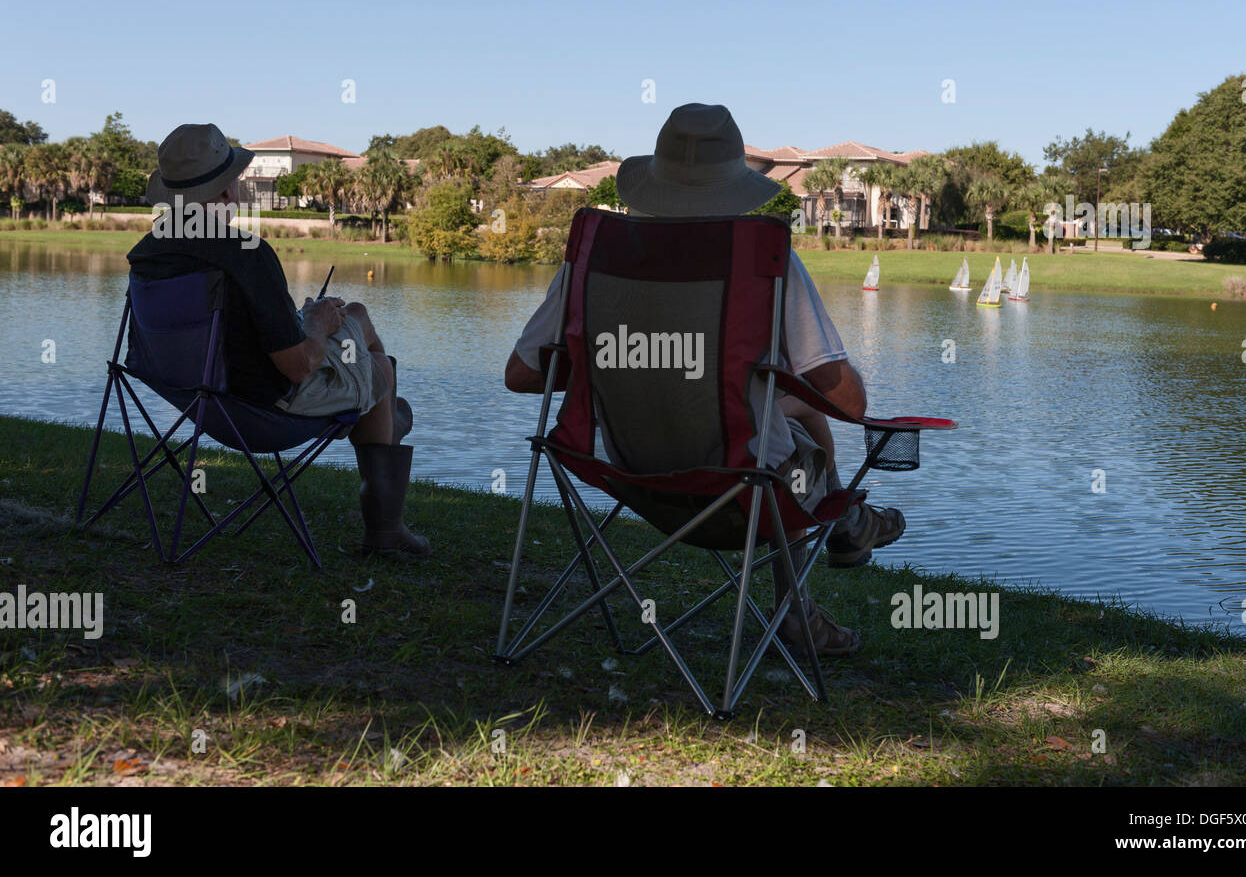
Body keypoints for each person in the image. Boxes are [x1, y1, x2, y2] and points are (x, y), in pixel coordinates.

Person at [503, 103, 904, 656]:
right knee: (795, 437)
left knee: (784, 420)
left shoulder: (594, 258)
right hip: (740, 493)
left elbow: (522, 376)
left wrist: (609, 368)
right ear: (736, 185)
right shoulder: (761, 258)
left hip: (628, 476)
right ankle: (828, 559)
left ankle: (845, 535)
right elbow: (845, 397)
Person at [127, 122, 428, 557]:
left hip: (187, 395)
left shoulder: (147, 251)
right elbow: (298, 366)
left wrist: (307, 321)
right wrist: (318, 325)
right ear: (226, 193)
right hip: (261, 411)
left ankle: (378, 414)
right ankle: (385, 504)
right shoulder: (246, 254)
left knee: (356, 316)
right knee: (379, 364)